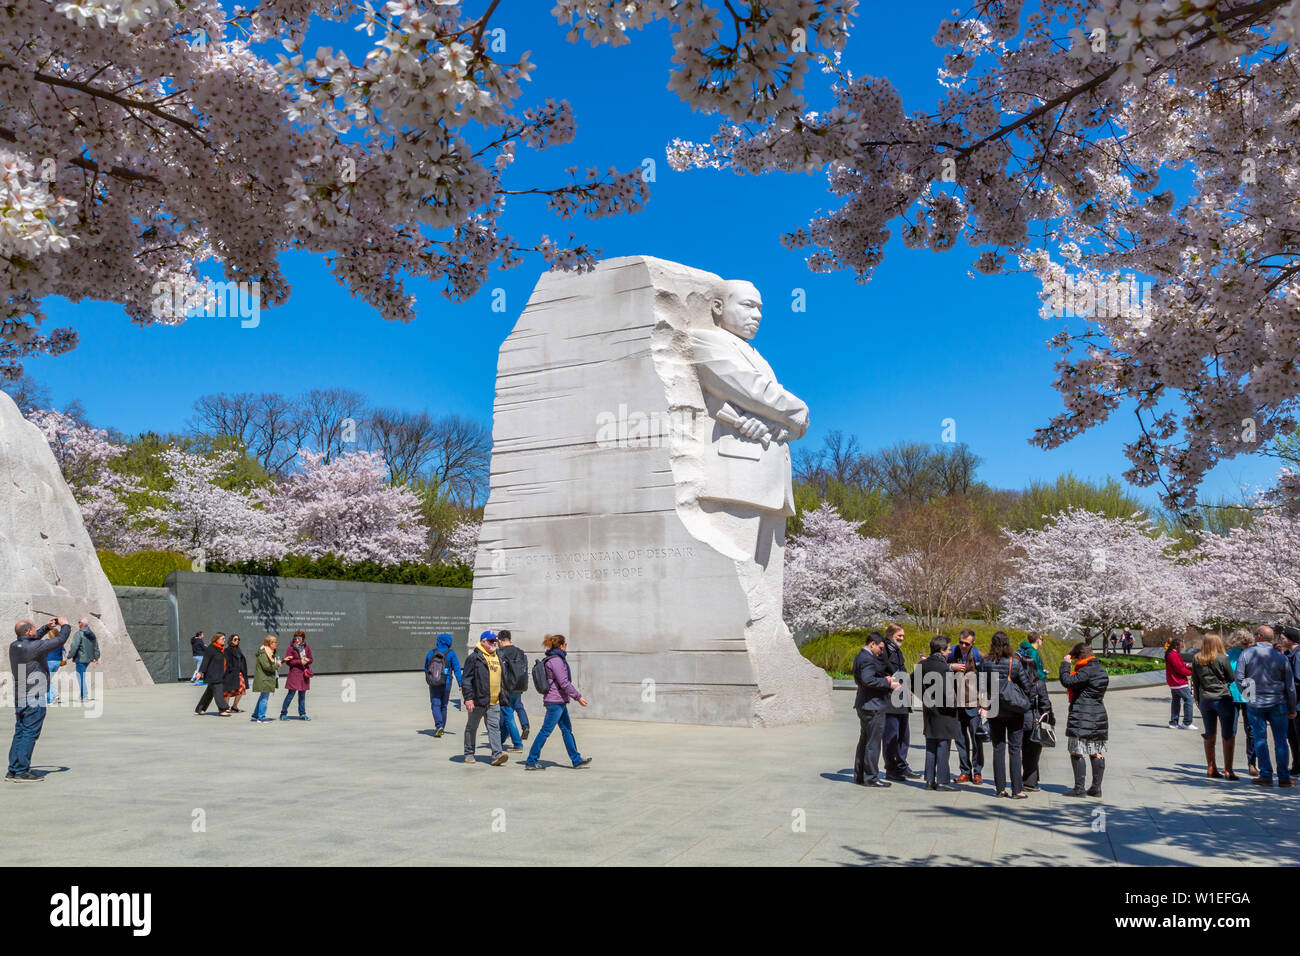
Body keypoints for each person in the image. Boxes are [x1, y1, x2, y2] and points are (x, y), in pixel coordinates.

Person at [8, 617, 71, 782]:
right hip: (34, 697)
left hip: (20, 695)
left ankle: (13, 769)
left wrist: (45, 627)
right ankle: (22, 771)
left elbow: (32, 640)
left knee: (20, 731)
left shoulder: (15, 646)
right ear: (29, 631)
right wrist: (65, 625)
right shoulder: (34, 647)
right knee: (29, 733)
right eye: (34, 628)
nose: (36, 630)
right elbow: (59, 640)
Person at [1235, 626, 1297, 787]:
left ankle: (1266, 775)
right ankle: (1283, 776)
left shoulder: (1247, 654)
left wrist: (1249, 695)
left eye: (1255, 634)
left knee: (1260, 738)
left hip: (1256, 703)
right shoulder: (1280, 657)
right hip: (1279, 702)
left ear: (1259, 636)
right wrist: (1291, 707)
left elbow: (1239, 677)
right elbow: (1290, 685)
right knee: (1281, 740)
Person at [523, 634, 591, 770]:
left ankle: (576, 760)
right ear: (561, 646)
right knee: (545, 731)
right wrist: (578, 697)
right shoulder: (556, 661)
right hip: (555, 702)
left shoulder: (555, 659)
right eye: (565, 645)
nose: (566, 647)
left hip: (559, 700)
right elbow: (564, 683)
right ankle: (531, 760)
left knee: (567, 730)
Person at [978, 631, 1033, 798]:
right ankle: (1017, 789)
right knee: (1015, 750)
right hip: (1014, 710)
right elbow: (1027, 685)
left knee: (998, 748)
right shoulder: (1014, 663)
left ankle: (1000, 788)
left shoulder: (985, 662)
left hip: (995, 708)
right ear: (1007, 644)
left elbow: (981, 685)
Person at [1060, 642, 1109, 797]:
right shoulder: (1100, 669)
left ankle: (1079, 788)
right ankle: (1096, 788)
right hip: (1098, 714)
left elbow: (1067, 681)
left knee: (1076, 750)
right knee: (1095, 751)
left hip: (1082, 714)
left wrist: (1065, 664)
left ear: (1079, 656)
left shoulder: (1086, 671)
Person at [852, 632, 899, 788]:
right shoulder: (867, 659)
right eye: (880, 648)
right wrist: (887, 683)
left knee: (864, 741)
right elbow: (868, 679)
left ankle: (860, 775)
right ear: (872, 644)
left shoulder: (861, 656)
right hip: (873, 706)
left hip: (865, 704)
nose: (881, 651)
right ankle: (871, 777)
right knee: (872, 742)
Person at [1190, 632, 1238, 780]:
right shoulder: (1223, 658)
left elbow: (1195, 682)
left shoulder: (1197, 659)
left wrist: (1198, 701)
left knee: (1209, 733)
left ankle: (1211, 767)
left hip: (1205, 699)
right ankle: (1228, 770)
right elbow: (1231, 678)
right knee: (1228, 734)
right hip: (1222, 698)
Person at [914, 635, 959, 791]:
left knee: (931, 746)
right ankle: (942, 781)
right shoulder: (943, 667)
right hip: (944, 712)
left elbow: (911, 683)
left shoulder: (922, 664)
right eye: (948, 649)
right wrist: (954, 707)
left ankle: (929, 780)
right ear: (941, 650)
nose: (949, 652)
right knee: (943, 745)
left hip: (929, 710)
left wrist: (925, 698)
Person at [462, 631, 508, 765]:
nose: (494, 643)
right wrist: (468, 698)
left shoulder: (498, 656)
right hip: (478, 700)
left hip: (494, 701)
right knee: (472, 727)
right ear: (483, 642)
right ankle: (469, 753)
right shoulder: (474, 658)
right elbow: (466, 680)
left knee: (494, 728)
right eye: (491, 641)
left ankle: (497, 756)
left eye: (495, 641)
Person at [881, 623, 920, 781]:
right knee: (892, 735)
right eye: (899, 636)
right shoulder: (883, 651)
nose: (902, 638)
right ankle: (891, 768)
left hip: (902, 699)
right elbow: (887, 672)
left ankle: (902, 765)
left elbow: (902, 672)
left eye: (903, 636)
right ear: (890, 635)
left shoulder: (897, 651)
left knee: (904, 735)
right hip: (891, 699)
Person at [947, 628, 985, 784]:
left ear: (972, 643)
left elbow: (986, 680)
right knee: (960, 739)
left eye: (966, 643)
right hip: (956, 703)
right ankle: (965, 771)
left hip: (973, 703)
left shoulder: (978, 656)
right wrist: (951, 666)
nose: (963, 645)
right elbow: (939, 665)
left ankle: (977, 771)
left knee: (976, 739)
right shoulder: (951, 653)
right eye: (961, 642)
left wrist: (984, 703)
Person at [1018, 633, 1054, 791]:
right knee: (1033, 752)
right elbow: (1045, 703)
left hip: (1020, 720)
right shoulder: (1038, 683)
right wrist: (1049, 717)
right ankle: (1030, 781)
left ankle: (1029, 778)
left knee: (1024, 750)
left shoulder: (1018, 682)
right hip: (1035, 719)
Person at [1226, 628, 1258, 776]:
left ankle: (1229, 765)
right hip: (1247, 692)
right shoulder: (1251, 655)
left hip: (1231, 693)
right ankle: (1252, 764)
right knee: (1251, 730)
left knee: (1231, 730)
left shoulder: (1227, 655)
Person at [495, 630, 530, 751]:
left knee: (508, 715)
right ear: (510, 639)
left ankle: (517, 744)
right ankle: (500, 740)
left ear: (500, 641)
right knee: (509, 713)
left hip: (506, 688)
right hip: (519, 686)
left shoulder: (499, 653)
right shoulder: (520, 652)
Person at [424, 632, 463, 738]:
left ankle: (439, 725)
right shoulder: (451, 653)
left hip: (434, 683)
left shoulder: (431, 653)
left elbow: (426, 668)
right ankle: (442, 728)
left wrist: (429, 679)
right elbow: (457, 669)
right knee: (444, 706)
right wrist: (460, 683)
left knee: (435, 704)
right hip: (446, 682)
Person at [194, 633, 232, 716]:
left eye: (224, 638)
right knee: (218, 691)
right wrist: (200, 672)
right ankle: (222, 709)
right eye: (222, 639)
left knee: (209, 692)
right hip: (213, 675)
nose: (224, 640)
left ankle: (200, 708)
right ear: (216, 639)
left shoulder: (221, 649)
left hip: (220, 674)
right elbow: (205, 661)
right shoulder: (211, 649)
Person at [280, 631, 313, 721]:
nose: (297, 640)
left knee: (302, 695)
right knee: (291, 694)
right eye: (296, 638)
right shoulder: (290, 648)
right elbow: (289, 662)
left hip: (304, 675)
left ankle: (302, 714)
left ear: (303, 639)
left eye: (299, 638)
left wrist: (307, 660)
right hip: (294, 674)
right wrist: (300, 661)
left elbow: (311, 659)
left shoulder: (307, 648)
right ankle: (283, 713)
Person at [66, 618, 100, 702]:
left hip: (81, 659)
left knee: (80, 677)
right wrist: (96, 657)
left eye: (79, 622)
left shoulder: (79, 634)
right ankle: (83, 695)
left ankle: (84, 696)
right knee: (82, 676)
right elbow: (96, 646)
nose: (78, 623)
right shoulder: (92, 634)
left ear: (81, 624)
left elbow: (74, 646)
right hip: (89, 659)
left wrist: (69, 656)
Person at [1166, 637, 1196, 731]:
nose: (1182, 648)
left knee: (1176, 702)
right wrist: (1191, 672)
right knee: (1189, 700)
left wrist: (1187, 665)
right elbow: (1179, 669)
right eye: (1181, 646)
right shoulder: (1173, 655)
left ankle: (1174, 723)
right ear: (1176, 646)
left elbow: (1180, 664)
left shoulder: (1171, 654)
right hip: (1179, 682)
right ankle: (1187, 723)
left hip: (1173, 682)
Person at [250, 635, 280, 723]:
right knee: (264, 698)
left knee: (262, 697)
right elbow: (267, 667)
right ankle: (261, 717)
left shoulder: (270, 652)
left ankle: (256, 715)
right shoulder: (263, 653)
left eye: (275, 642)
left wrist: (282, 661)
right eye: (273, 642)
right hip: (264, 679)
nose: (275, 644)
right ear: (269, 643)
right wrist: (277, 665)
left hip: (266, 678)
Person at [223, 633, 249, 714]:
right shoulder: (227, 650)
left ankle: (234, 706)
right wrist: (231, 670)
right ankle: (226, 707)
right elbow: (227, 663)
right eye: (235, 639)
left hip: (239, 673)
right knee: (228, 691)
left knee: (241, 690)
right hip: (230, 674)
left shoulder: (238, 650)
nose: (237, 641)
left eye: (238, 639)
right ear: (231, 640)